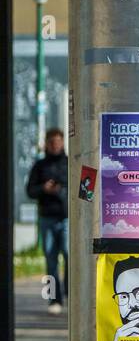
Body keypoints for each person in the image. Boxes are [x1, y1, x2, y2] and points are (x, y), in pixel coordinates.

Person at [25, 127, 69, 315]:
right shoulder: (40, 165)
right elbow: (30, 191)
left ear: (63, 142)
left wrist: (60, 189)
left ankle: (70, 292)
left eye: (58, 141)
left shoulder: (69, 163)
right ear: (46, 143)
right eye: (51, 142)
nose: (55, 145)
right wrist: (44, 188)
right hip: (47, 217)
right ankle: (53, 299)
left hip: (67, 217)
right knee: (50, 260)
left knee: (70, 255)